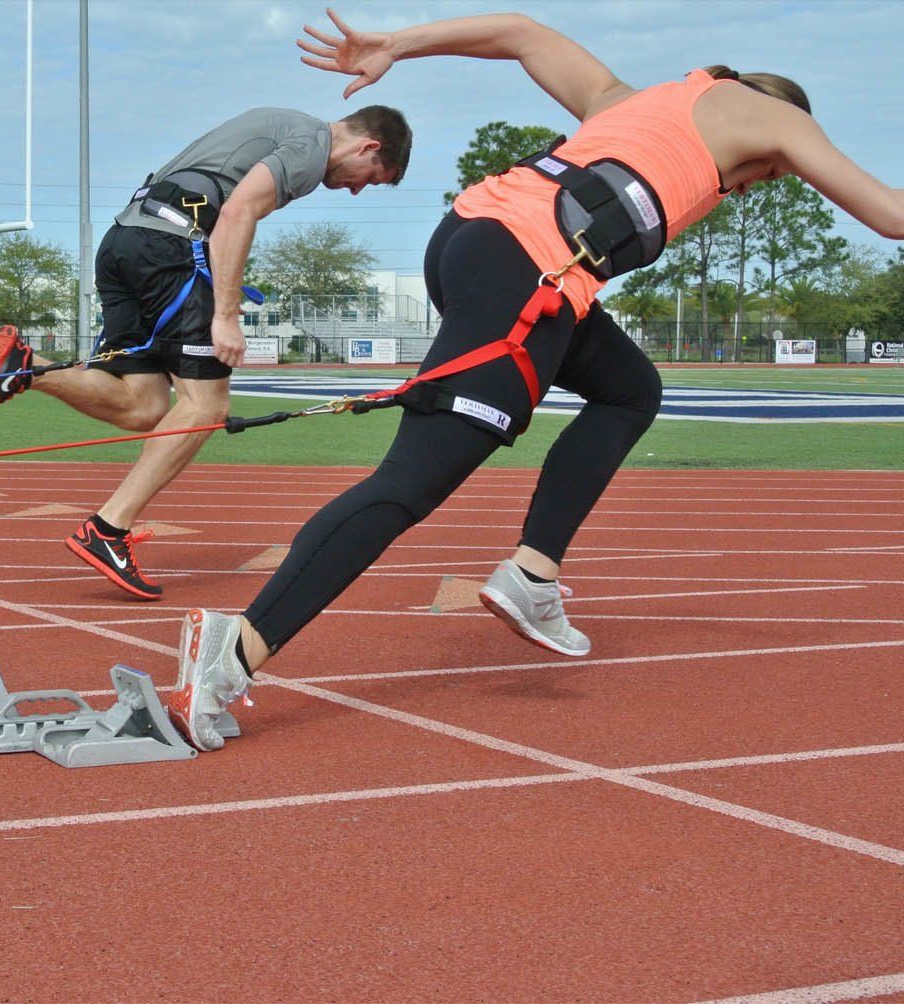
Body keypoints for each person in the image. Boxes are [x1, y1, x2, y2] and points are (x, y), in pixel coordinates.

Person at [167, 11, 904, 751]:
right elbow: (892, 216)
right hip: (524, 267)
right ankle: (234, 652)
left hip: (475, 242)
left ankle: (533, 574)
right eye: (769, 174)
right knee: (409, 484)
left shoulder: (633, 101)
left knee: (630, 389)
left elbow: (522, 32)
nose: (746, 189)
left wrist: (397, 44)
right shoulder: (773, 115)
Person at [0, 105, 412, 600]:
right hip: (166, 252)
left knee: (143, 405)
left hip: (124, 244)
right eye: (371, 177)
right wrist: (225, 314)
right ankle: (107, 530)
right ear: (369, 147)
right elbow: (238, 213)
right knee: (206, 406)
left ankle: (26, 368)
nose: (356, 188)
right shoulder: (310, 147)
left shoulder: (283, 127)